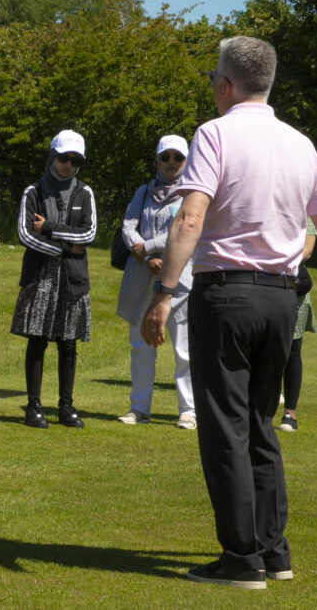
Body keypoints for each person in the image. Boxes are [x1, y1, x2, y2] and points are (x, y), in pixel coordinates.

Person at [142, 36, 317, 589]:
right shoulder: (300, 143)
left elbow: (190, 218)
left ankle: (240, 559)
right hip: (280, 298)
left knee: (224, 427)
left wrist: (163, 291)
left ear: (225, 85)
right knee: (258, 424)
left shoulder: (214, 134)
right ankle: (275, 552)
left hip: (225, 295)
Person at [12, 130, 96, 429]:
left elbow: (88, 234)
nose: (68, 164)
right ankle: (33, 407)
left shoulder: (85, 193)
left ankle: (66, 406)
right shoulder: (32, 191)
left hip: (72, 279)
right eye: (63, 157)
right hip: (41, 276)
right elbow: (24, 234)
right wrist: (65, 248)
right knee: (37, 341)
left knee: (68, 343)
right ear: (52, 155)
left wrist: (48, 227)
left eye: (74, 160)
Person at [114, 135, 194, 429]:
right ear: (158, 160)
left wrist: (147, 246)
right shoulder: (145, 190)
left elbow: (184, 229)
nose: (171, 163)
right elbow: (128, 226)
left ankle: (188, 410)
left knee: (184, 349)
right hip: (143, 274)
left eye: (178, 158)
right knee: (140, 344)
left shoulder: (192, 193)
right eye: (166, 157)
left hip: (180, 279)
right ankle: (139, 407)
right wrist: (146, 257)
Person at [279, 218, 317, 432]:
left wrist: (277, 263)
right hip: (263, 286)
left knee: (292, 352)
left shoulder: (305, 212)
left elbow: (307, 250)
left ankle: (290, 414)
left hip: (294, 288)